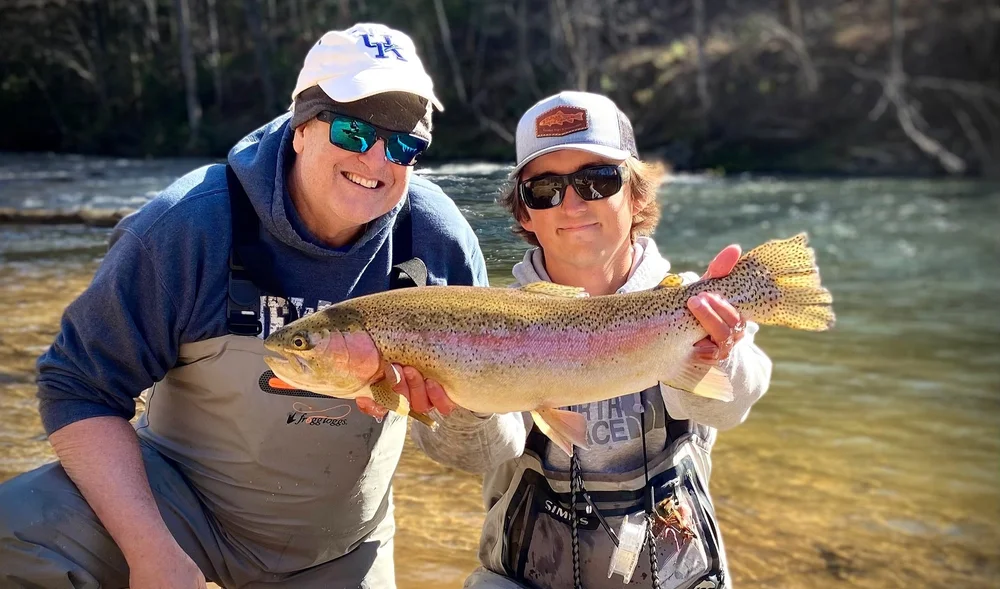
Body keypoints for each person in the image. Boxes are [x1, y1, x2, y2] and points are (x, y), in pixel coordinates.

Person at [0, 23, 490, 589]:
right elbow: (76, 385)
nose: (378, 159)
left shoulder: (436, 239)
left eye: (404, 144)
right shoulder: (189, 223)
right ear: (301, 127)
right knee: (16, 532)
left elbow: (478, 454)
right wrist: (150, 551)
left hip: (339, 547)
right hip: (180, 513)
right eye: (355, 132)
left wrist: (464, 412)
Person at [410, 91, 773, 589]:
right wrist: (464, 401)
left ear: (636, 196)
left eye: (597, 180)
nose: (573, 204)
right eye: (545, 189)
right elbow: (468, 457)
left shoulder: (691, 302)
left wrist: (717, 354)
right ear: (524, 214)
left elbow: (732, 407)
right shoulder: (485, 323)